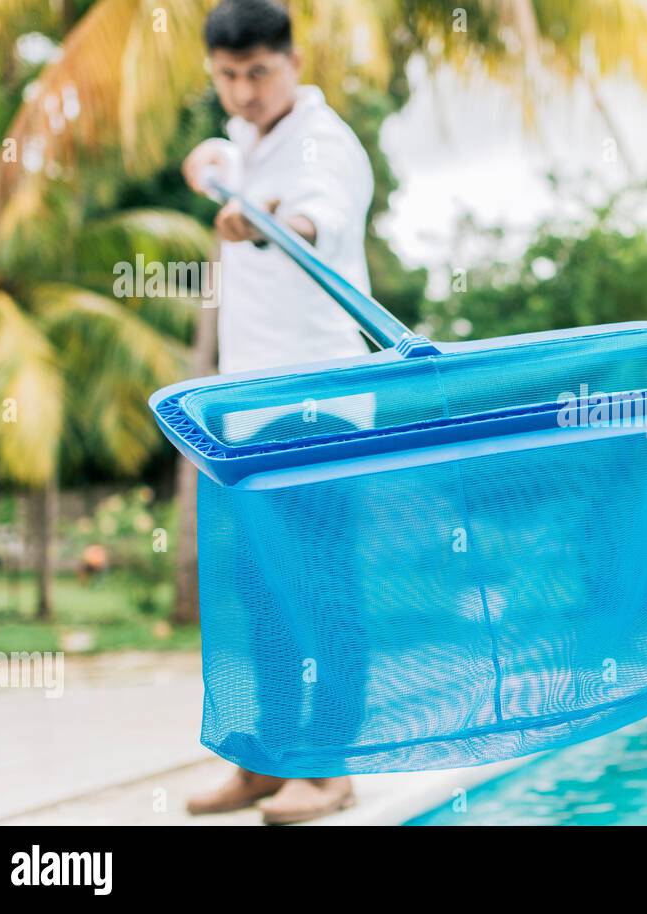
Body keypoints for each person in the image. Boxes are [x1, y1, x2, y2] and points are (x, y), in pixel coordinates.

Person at [181, 0, 375, 825]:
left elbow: (319, 214)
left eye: (259, 71)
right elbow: (217, 152)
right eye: (228, 76)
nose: (244, 89)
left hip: (319, 401)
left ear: (293, 61)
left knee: (323, 583)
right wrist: (215, 166)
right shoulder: (246, 144)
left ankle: (329, 768)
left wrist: (265, 221)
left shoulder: (325, 144)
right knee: (258, 589)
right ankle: (263, 759)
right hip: (248, 404)